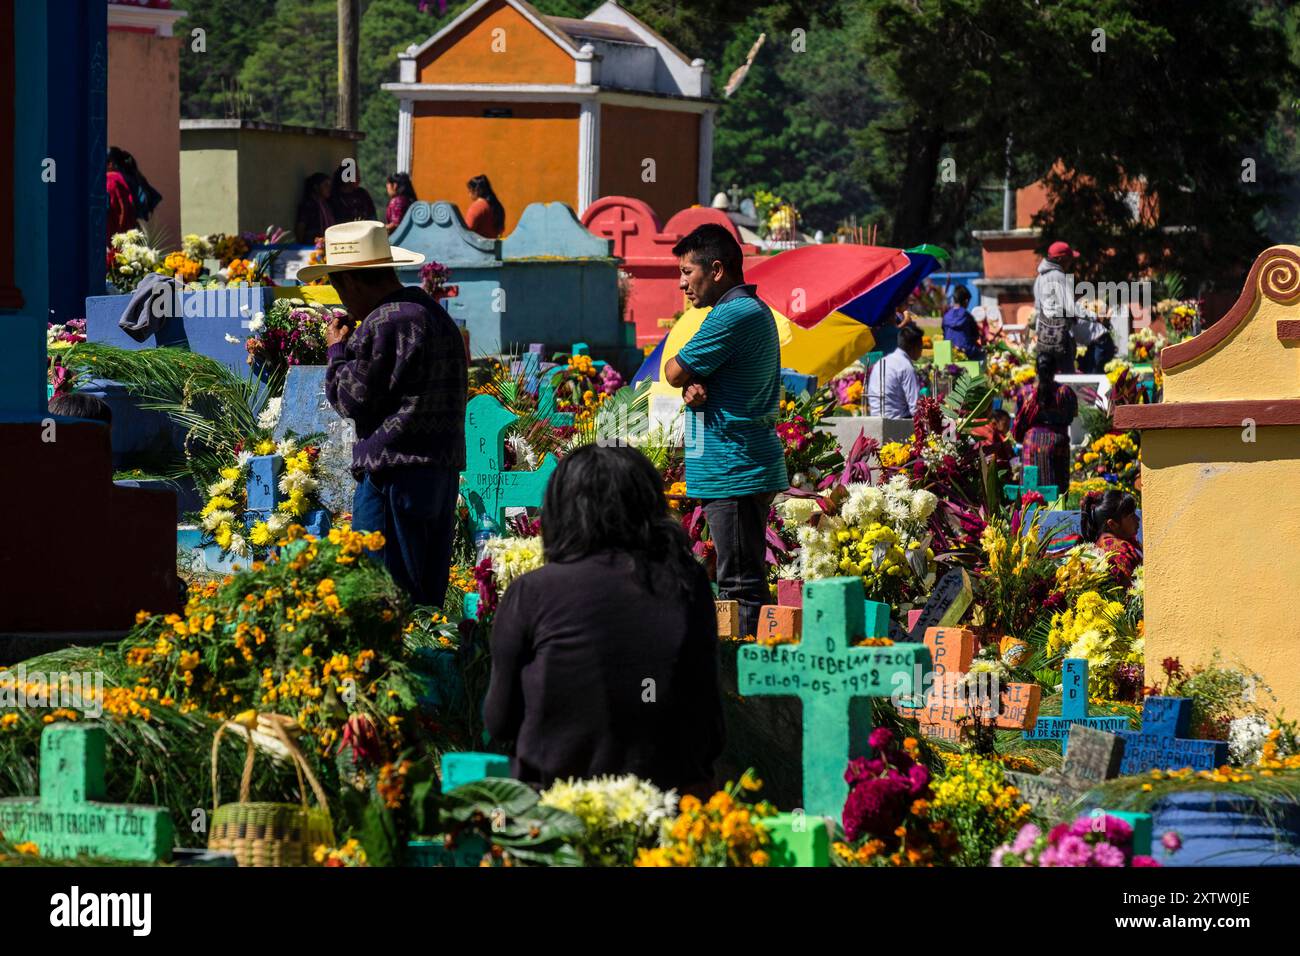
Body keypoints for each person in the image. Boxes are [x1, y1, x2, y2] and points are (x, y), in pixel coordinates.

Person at [484, 444, 724, 792]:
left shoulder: (532, 591)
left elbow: (499, 721)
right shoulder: (687, 581)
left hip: (552, 810)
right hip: (669, 808)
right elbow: (710, 726)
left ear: (560, 511)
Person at [301, 221, 467, 607]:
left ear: (353, 282)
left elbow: (351, 399)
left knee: (383, 596)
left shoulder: (384, 321)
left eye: (339, 287)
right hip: (439, 472)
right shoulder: (434, 315)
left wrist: (336, 351)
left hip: (394, 476)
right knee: (426, 596)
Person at [663, 223, 788, 640]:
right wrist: (698, 389)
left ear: (717, 270)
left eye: (687, 272)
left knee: (739, 586)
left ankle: (745, 691)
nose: (682, 284)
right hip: (735, 464)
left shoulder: (732, 315)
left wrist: (690, 382)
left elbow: (674, 370)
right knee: (740, 577)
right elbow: (694, 381)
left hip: (734, 468)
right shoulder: (746, 311)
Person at [1012, 353, 1078, 492]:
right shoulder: (1064, 392)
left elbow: (1018, 420)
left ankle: (1030, 511)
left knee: (1031, 491)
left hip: (1031, 442)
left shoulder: (1025, 393)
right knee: (1057, 490)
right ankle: (1058, 512)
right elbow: (1070, 417)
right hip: (1056, 442)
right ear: (1056, 370)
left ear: (1036, 369)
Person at [1033, 240, 1080, 374]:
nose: (1071, 262)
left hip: (1043, 336)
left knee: (1046, 374)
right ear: (1060, 259)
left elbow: (1038, 306)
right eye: (1069, 258)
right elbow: (1069, 307)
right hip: (1059, 335)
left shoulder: (1040, 277)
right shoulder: (1058, 276)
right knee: (1067, 376)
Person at [1081, 489, 1142, 588]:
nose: (1137, 519)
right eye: (1131, 516)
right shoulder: (1118, 551)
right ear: (1112, 524)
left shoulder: (1104, 543)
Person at [866, 323, 924, 419]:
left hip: (875, 417)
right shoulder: (906, 367)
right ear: (914, 346)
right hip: (897, 422)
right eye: (921, 346)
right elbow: (915, 407)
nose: (922, 350)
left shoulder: (882, 361)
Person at [941, 286, 983, 359]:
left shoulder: (946, 316)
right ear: (966, 301)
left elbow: (944, 334)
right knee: (983, 354)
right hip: (967, 353)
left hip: (949, 353)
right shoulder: (967, 317)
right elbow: (975, 336)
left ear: (954, 299)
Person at [105, 149, 138, 241]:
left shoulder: (111, 178)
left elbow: (122, 206)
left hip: (113, 232)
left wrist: (118, 231)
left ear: (110, 163)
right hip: (125, 231)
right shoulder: (124, 177)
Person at [295, 173, 335, 244]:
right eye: (326, 185)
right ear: (316, 187)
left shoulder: (327, 205)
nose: (329, 188)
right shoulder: (308, 205)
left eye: (330, 185)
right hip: (312, 246)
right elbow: (300, 228)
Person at [971, 408, 1014, 472]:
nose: (1007, 429)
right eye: (1005, 424)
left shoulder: (995, 433)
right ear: (994, 421)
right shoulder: (988, 430)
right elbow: (1009, 456)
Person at [465, 174, 505, 238]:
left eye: (469, 190)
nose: (468, 194)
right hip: (492, 245)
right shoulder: (496, 206)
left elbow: (467, 231)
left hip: (477, 246)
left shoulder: (477, 207)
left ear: (477, 191)